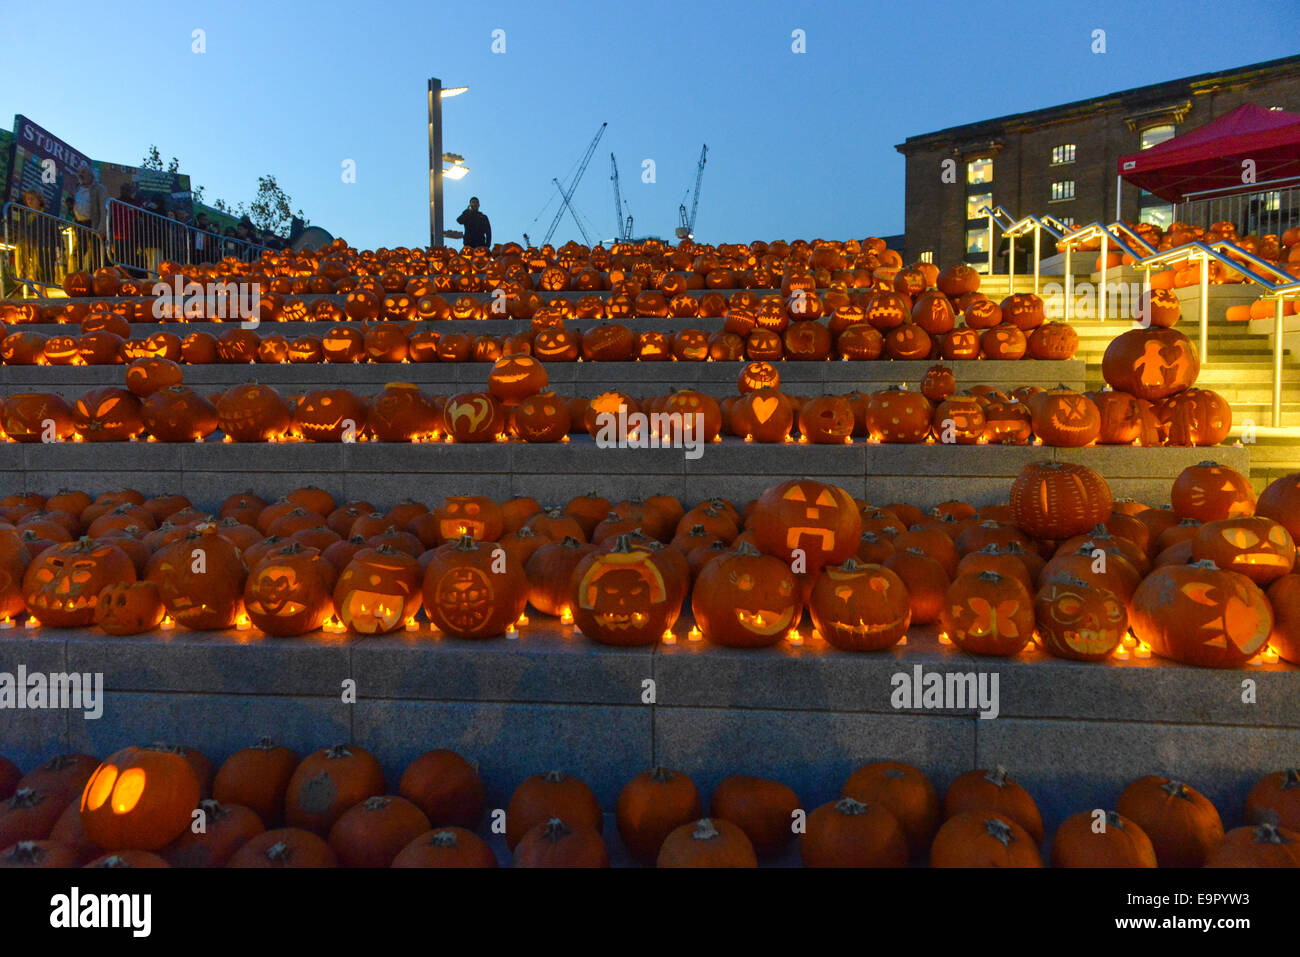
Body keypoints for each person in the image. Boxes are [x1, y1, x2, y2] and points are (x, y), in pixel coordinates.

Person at [70, 163, 108, 271]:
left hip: (93, 223)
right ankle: (77, 273)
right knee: (79, 250)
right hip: (79, 223)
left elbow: (103, 208)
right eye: (79, 173)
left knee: (95, 251)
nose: (81, 175)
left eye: (83, 172)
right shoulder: (77, 189)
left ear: (91, 174)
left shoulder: (99, 189)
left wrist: (101, 227)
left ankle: (95, 274)